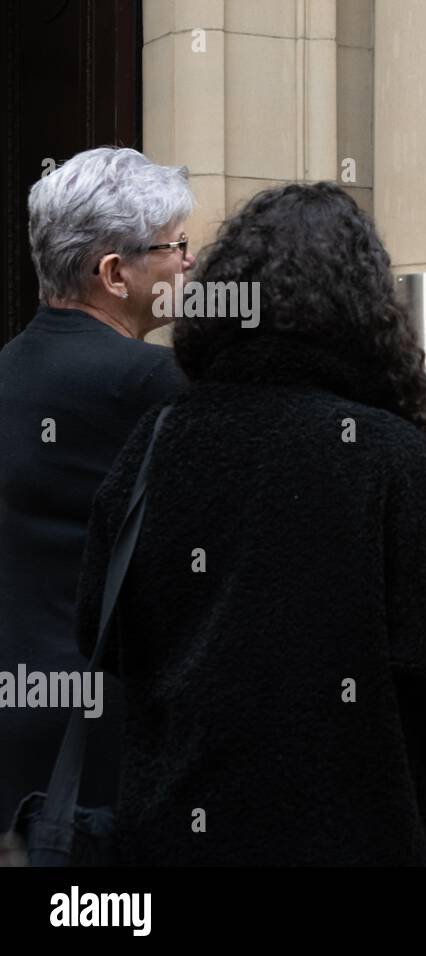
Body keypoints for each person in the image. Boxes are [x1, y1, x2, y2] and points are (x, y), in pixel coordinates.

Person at [73, 181, 426, 865]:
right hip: (356, 833)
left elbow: (103, 628)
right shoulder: (383, 453)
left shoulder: (157, 443)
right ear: (367, 310)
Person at [0, 146, 192, 829]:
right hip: (106, 737)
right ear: (114, 272)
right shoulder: (155, 384)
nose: (189, 262)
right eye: (175, 245)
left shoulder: (7, 369)